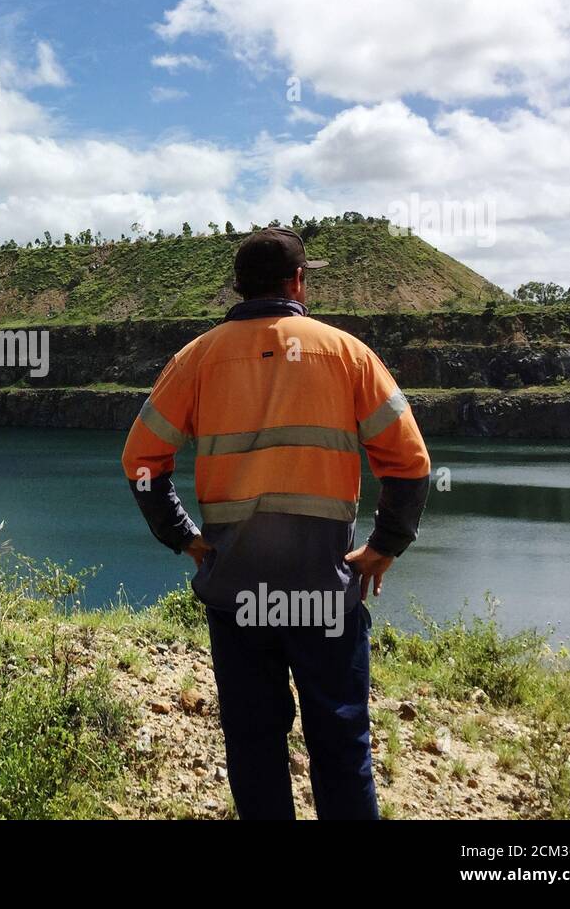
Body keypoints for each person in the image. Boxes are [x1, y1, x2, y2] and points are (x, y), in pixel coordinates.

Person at [120, 226, 430, 820]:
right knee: (341, 744)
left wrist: (185, 538)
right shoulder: (347, 354)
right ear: (299, 282)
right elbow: (410, 464)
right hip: (323, 593)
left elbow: (141, 463)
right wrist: (385, 546)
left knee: (255, 741)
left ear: (238, 287)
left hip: (238, 593)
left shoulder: (198, 357)